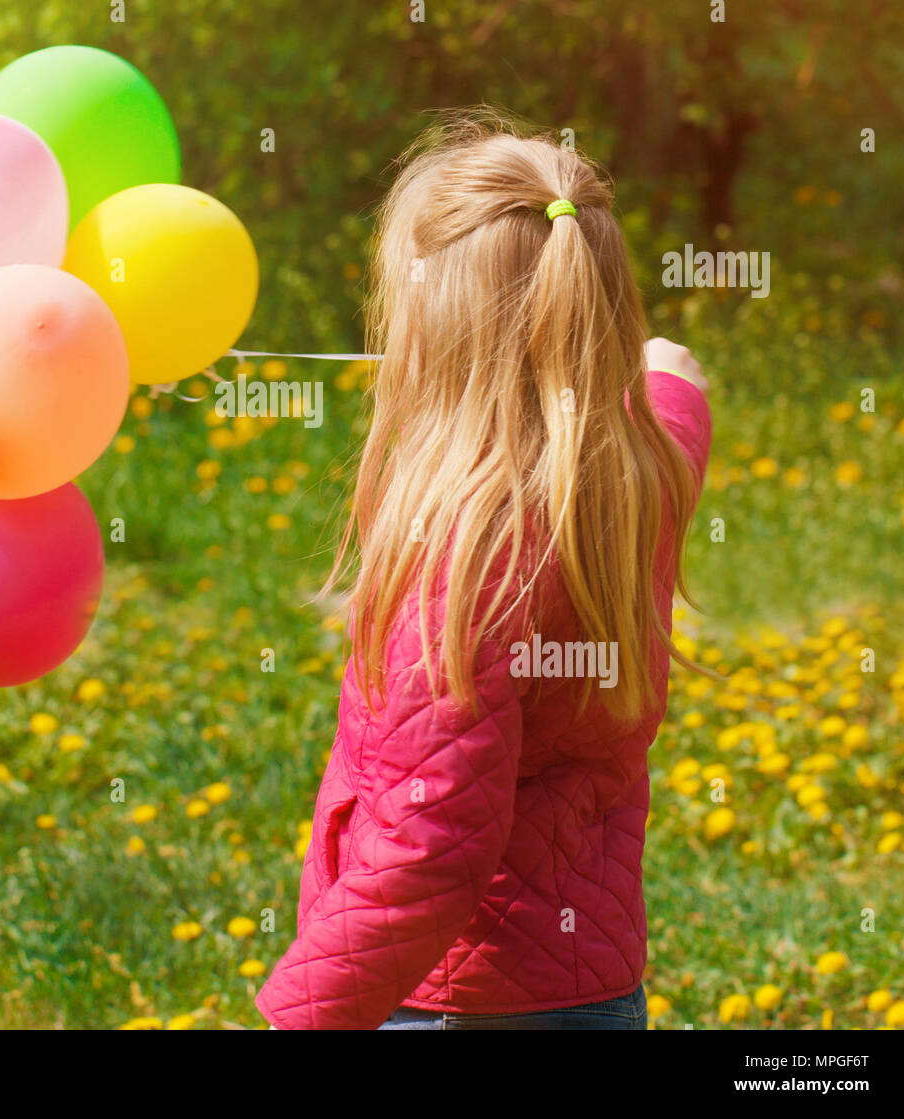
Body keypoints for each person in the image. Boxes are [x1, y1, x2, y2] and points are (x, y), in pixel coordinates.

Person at [257, 113, 711, 1030]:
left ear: (433, 331)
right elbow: (675, 377)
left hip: (451, 1000)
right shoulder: (642, 470)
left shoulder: (465, 562)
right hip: (592, 985)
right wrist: (642, 359)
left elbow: (429, 850)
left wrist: (294, 1019)